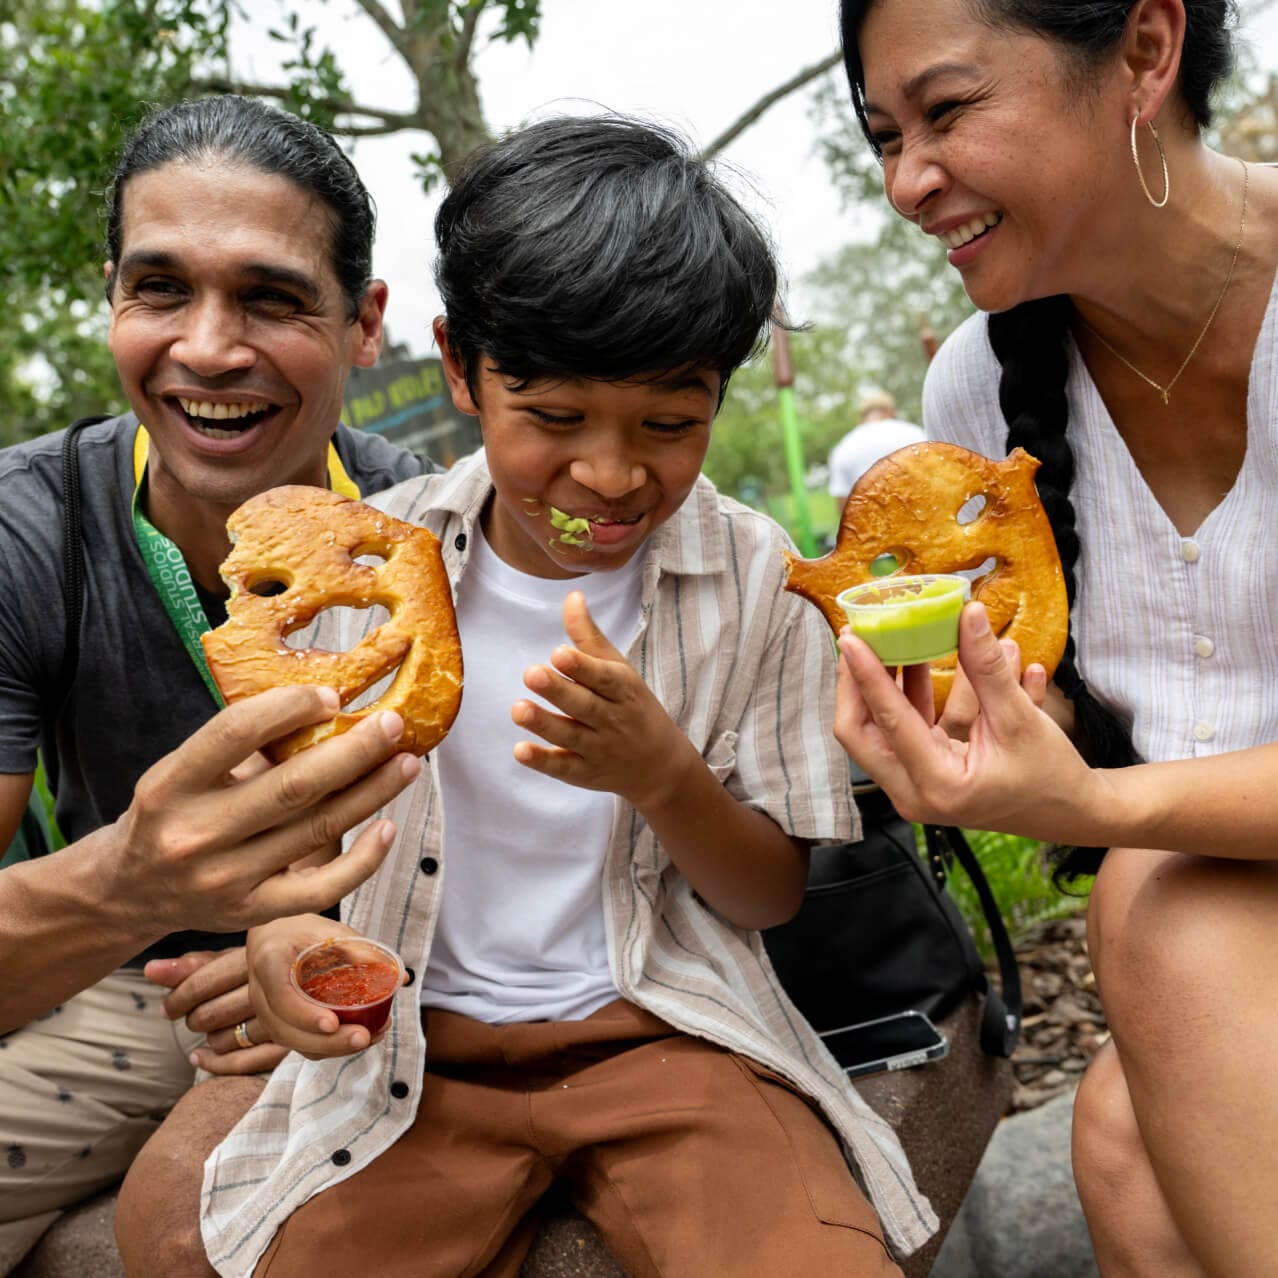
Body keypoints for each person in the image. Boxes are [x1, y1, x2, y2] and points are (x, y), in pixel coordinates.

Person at [121, 113, 938, 1278]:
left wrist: (660, 775)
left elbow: (764, 896)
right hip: (411, 1046)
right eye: (553, 419)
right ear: (460, 367)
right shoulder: (364, 566)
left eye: (670, 423)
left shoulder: (758, 578)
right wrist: (285, 935)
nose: (609, 474)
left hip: (668, 1036)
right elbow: (284, 848)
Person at [834, 1, 1278, 1274]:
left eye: (947, 111)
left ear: (1145, 51)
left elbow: (1120, 811)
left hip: (1188, 925)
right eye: (882, 136)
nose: (907, 182)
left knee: (1156, 905)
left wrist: (1093, 803)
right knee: (1118, 1138)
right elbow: (1075, 696)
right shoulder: (979, 390)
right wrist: (989, 727)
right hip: (1209, 950)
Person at [0, 94, 435, 1271]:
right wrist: (130, 885)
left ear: (364, 324)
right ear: (111, 299)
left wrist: (321, 954)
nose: (206, 348)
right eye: (159, 289)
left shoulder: (434, 541)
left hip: (399, 993)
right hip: (123, 991)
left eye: (271, 296)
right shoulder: (22, 537)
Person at [826, 387, 925, 507]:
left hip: (869, 522)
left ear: (861, 418)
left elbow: (842, 503)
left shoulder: (843, 447)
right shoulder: (915, 434)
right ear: (890, 412)